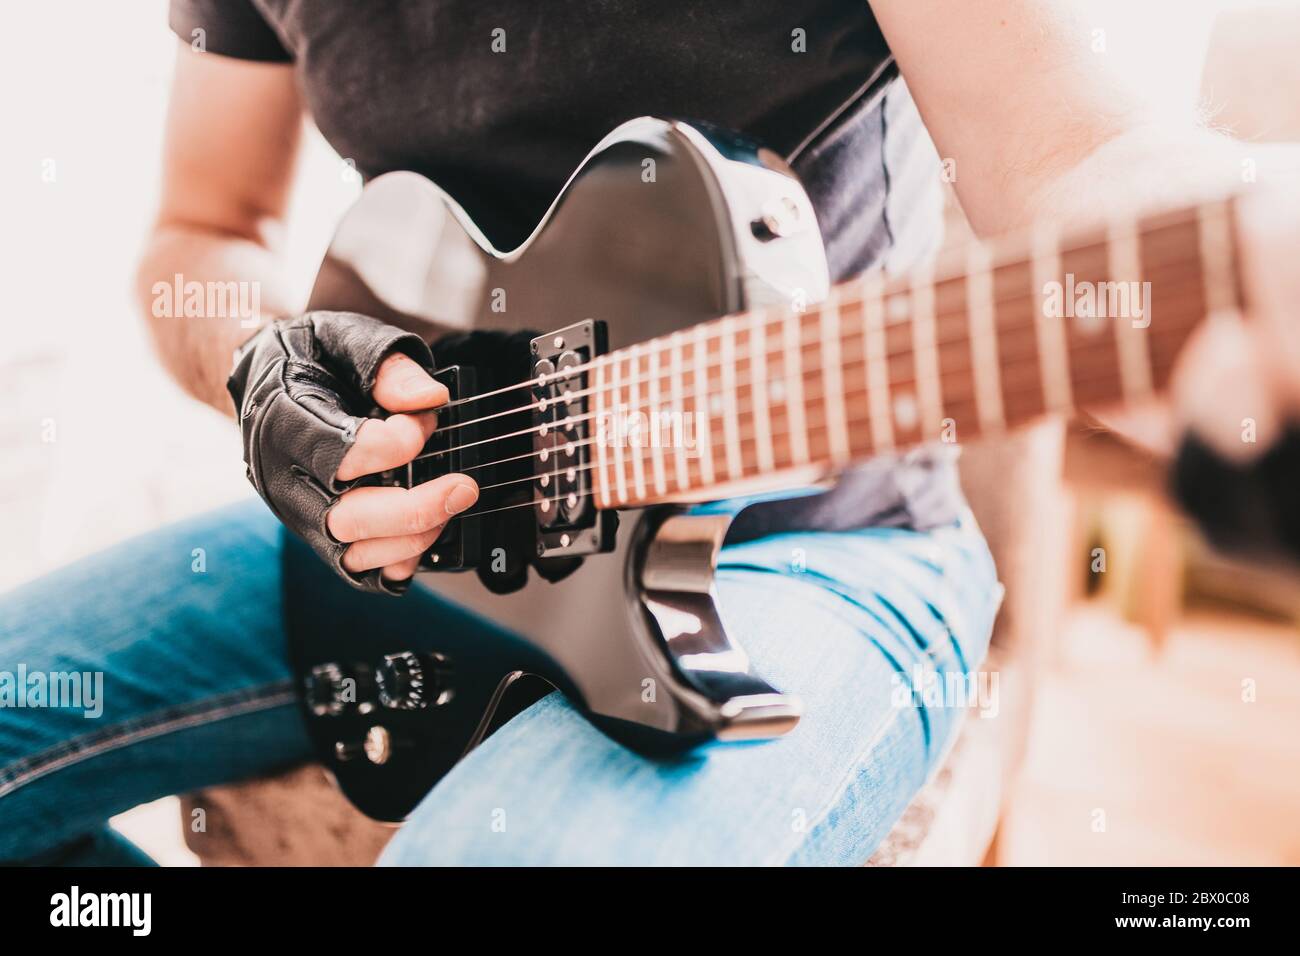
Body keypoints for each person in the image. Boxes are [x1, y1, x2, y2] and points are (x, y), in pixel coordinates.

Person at [1, 1, 1296, 866]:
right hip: (421, 522)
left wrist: (1240, 258)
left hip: (812, 553)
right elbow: (203, 226)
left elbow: (1075, 153)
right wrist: (258, 367)